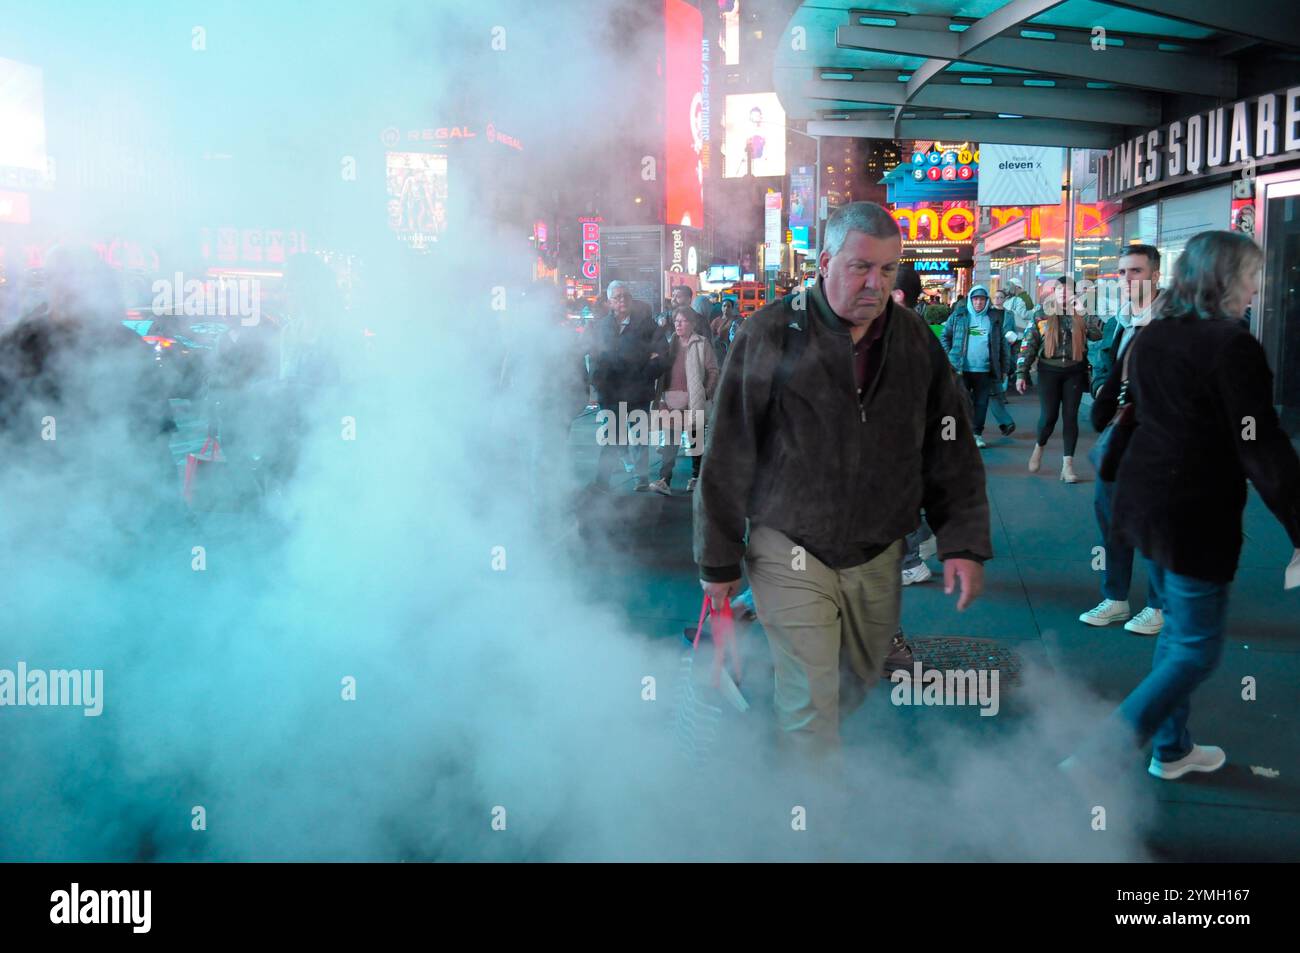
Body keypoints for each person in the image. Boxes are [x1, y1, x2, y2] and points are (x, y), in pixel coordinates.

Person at [694, 202, 991, 755]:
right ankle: (808, 827)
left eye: (886, 270)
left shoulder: (913, 341)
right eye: (860, 267)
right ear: (825, 262)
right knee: (810, 703)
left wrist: (963, 541)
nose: (875, 284)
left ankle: (791, 749)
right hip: (789, 541)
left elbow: (950, 444)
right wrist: (718, 559)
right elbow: (729, 449)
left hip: (878, 548)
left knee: (854, 679)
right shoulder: (772, 333)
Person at [1072, 230, 1300, 782]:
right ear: (1225, 278)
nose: (1255, 287)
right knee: (1195, 648)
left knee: (1177, 631)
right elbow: (1259, 441)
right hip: (1192, 510)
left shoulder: (1155, 334)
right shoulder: (1230, 343)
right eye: (1250, 275)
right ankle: (1103, 753)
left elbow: (1127, 410)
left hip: (1142, 500)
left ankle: (1171, 749)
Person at [1081, 244, 1165, 635]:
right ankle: (1116, 598)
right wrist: (1101, 388)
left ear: (1156, 276)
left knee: (1153, 520)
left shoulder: (1173, 325)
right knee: (1110, 517)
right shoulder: (1118, 321)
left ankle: (1159, 605)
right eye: (1122, 272)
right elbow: (1102, 361)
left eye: (1135, 272)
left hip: (1155, 439)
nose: (1127, 280)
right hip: (1118, 434)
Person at [1016, 280, 1103, 482]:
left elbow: (1098, 334)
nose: (1064, 293)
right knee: (1048, 417)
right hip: (1049, 371)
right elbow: (1029, 343)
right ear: (1053, 293)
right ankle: (1039, 447)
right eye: (1060, 289)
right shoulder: (1042, 313)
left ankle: (1067, 466)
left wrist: (1083, 313)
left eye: (1068, 290)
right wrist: (1022, 372)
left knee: (1070, 417)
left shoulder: (1080, 313)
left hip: (1074, 370)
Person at [589, 280, 664, 492]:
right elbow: (594, 357)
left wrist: (646, 371)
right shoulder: (600, 327)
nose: (622, 300)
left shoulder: (646, 324)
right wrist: (599, 384)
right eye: (617, 297)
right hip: (611, 393)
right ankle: (602, 482)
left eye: (626, 296)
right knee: (613, 438)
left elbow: (662, 354)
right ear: (610, 302)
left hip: (638, 391)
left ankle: (641, 479)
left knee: (639, 436)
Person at [648, 307, 719, 496]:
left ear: (692, 324)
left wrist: (706, 392)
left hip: (694, 399)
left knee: (696, 440)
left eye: (683, 321)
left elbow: (713, 370)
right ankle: (664, 479)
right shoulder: (670, 344)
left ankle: (696, 477)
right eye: (676, 321)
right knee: (671, 442)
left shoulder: (701, 343)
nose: (678, 324)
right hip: (671, 398)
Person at [941, 284, 1006, 449]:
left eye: (982, 299)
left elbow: (1001, 345)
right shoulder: (959, 315)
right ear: (970, 299)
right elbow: (945, 336)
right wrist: (951, 356)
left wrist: (1004, 368)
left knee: (981, 404)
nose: (978, 302)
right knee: (959, 403)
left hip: (984, 370)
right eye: (975, 299)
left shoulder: (993, 319)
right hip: (962, 369)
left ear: (986, 301)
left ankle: (977, 434)